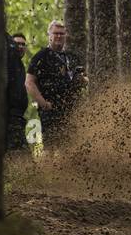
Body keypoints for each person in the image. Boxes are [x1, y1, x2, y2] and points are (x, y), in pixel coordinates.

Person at [26, 20, 86, 148]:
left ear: (66, 35)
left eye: (61, 33)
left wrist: (83, 81)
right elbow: (29, 82)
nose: (58, 36)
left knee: (72, 148)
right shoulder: (40, 57)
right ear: (49, 35)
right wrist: (43, 103)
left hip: (72, 110)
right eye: (55, 33)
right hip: (51, 111)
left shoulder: (72, 57)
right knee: (51, 149)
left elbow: (85, 79)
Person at [6, 33, 30, 152]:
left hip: (18, 119)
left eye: (23, 44)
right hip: (9, 119)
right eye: (17, 44)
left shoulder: (20, 66)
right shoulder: (7, 63)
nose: (20, 47)